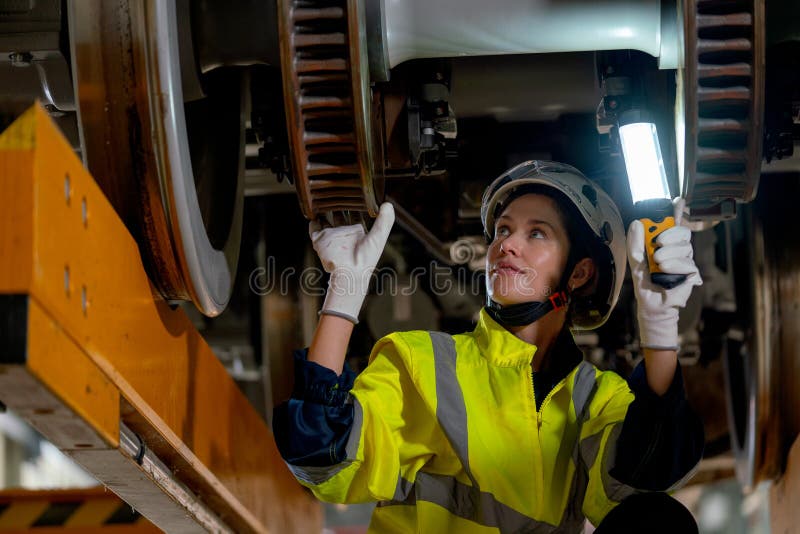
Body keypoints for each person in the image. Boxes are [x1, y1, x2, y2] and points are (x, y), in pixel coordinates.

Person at [274, 160, 704, 533]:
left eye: (537, 233)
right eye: (503, 230)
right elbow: (322, 457)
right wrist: (343, 294)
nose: (505, 245)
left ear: (579, 274)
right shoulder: (420, 361)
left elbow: (644, 482)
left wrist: (661, 329)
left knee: (663, 520)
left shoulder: (596, 399)